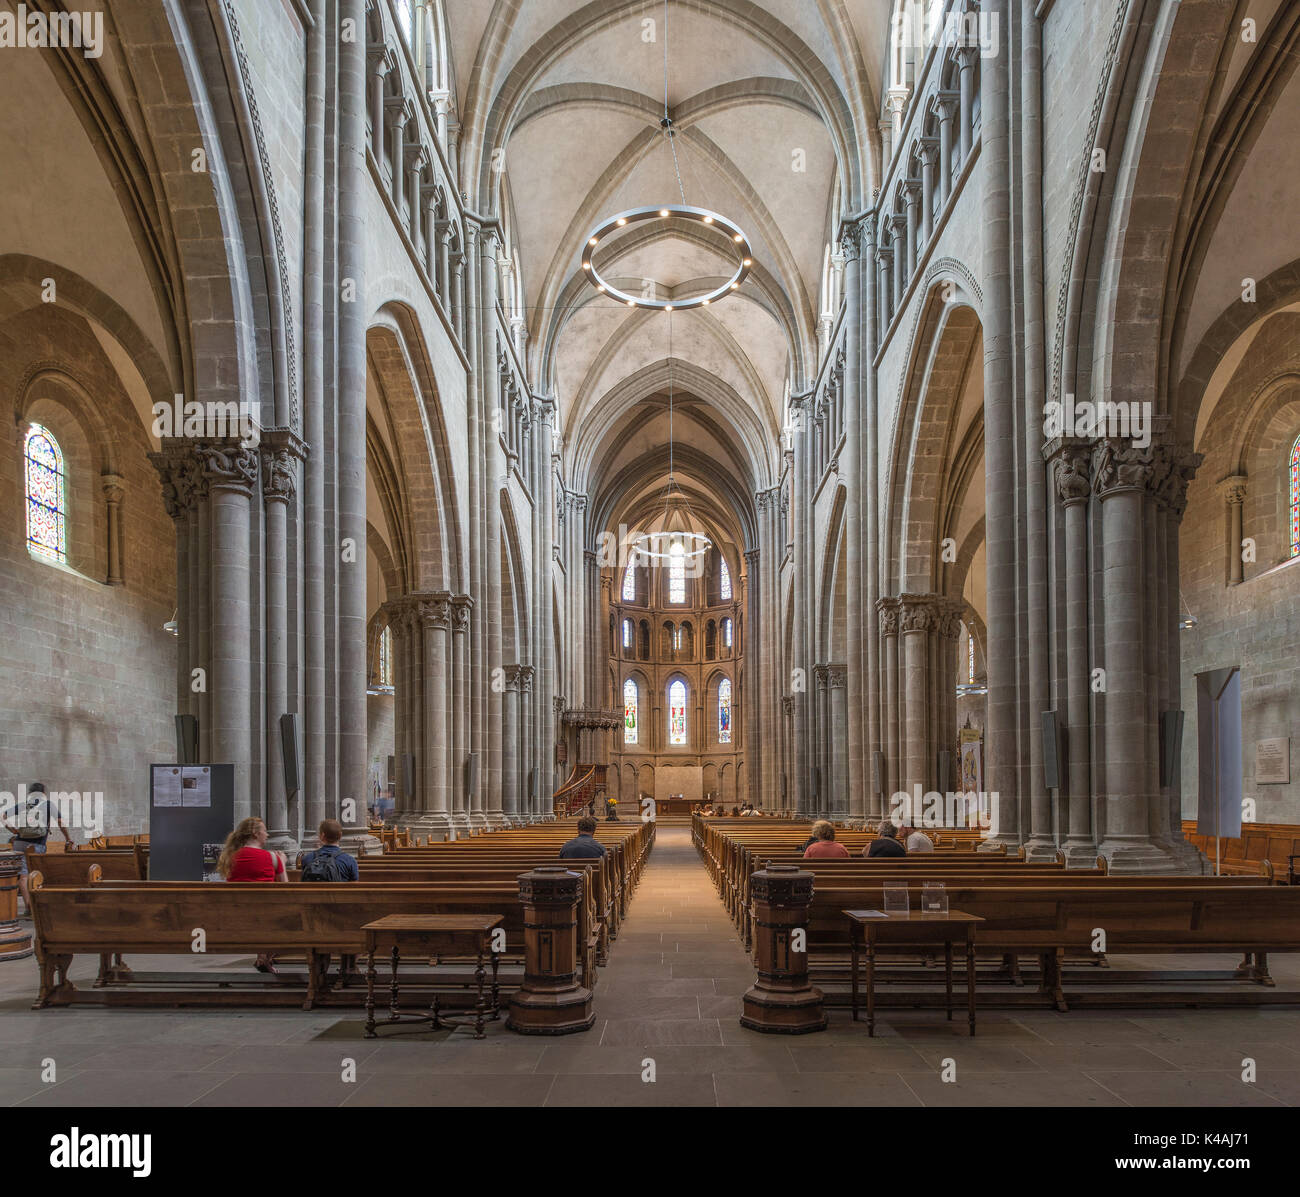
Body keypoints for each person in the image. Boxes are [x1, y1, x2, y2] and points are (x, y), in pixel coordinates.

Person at [217, 817, 287, 972]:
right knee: (289, 919)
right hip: (267, 916)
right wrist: (282, 861)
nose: (267, 835)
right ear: (256, 834)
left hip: (237, 913)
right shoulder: (272, 857)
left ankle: (263, 959)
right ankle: (265, 957)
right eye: (265, 831)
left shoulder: (230, 857)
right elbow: (285, 889)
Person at [2, 782, 72, 916]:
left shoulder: (23, 805)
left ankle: (29, 907)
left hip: (19, 843)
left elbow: (3, 816)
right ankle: (36, 907)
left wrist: (13, 830)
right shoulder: (48, 805)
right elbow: (60, 822)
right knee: (36, 875)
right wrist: (68, 838)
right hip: (37, 845)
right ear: (43, 793)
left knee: (23, 876)